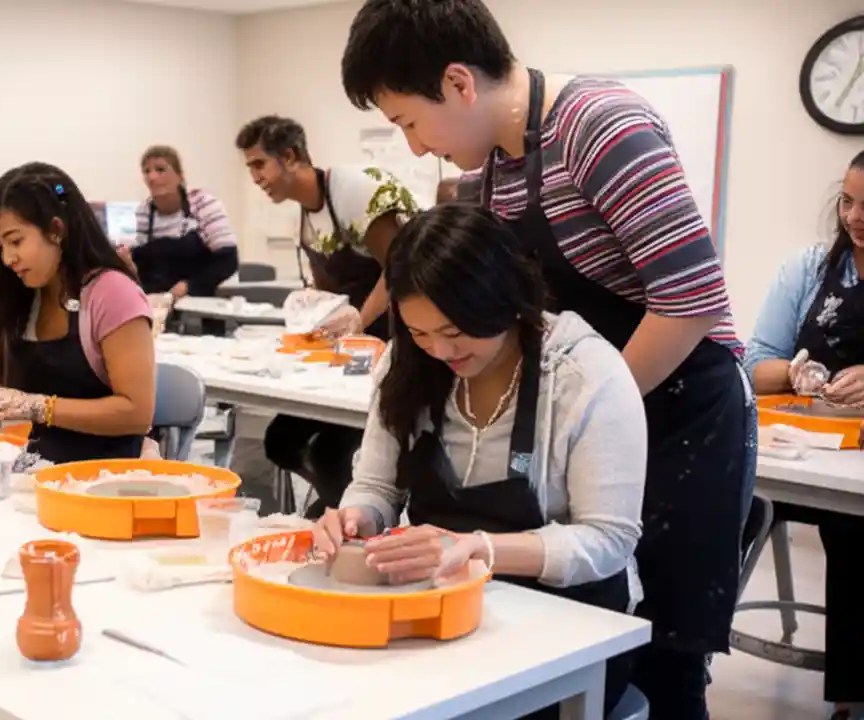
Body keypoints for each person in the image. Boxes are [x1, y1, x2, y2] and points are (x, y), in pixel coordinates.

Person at [340, 2, 754, 717]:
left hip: (684, 408)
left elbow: (689, 300)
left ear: (459, 83)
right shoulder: (489, 174)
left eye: (409, 122)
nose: (414, 149)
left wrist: (586, 405)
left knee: (663, 650)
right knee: (553, 621)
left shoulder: (599, 126)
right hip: (594, 397)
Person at [315, 205, 646, 718]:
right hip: (438, 607)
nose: (439, 350)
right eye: (420, 332)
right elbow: (377, 487)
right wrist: (356, 518)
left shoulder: (584, 375)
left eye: (454, 330)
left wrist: (480, 548)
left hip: (567, 622)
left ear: (505, 301)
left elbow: (609, 541)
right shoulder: (406, 367)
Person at [236, 114, 418, 516]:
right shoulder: (305, 214)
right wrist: (312, 312)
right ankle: (335, 504)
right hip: (355, 350)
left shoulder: (354, 189)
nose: (255, 177)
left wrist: (357, 318)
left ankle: (347, 513)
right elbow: (329, 291)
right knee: (281, 440)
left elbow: (401, 265)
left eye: (259, 164)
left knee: (333, 452)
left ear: (291, 156)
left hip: (400, 340)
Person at [744, 151, 864, 720]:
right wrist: (795, 372)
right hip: (798, 451)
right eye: (847, 200)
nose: (854, 216)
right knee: (719, 505)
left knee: (856, 534)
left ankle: (851, 696)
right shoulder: (809, 269)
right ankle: (688, 656)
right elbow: (751, 365)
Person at [0, 162, 155, 464]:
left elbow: (136, 413)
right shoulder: (26, 297)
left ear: (56, 230)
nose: (8, 258)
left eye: (16, 241)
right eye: (0, 246)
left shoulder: (111, 293)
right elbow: (20, 399)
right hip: (35, 473)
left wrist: (39, 407)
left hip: (104, 479)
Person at [120, 145, 239, 299]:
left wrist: (190, 286)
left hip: (201, 302)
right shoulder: (144, 212)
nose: (152, 177)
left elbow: (228, 261)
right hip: (158, 303)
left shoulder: (203, 203)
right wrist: (127, 263)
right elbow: (144, 265)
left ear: (179, 176)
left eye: (160, 169)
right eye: (146, 171)